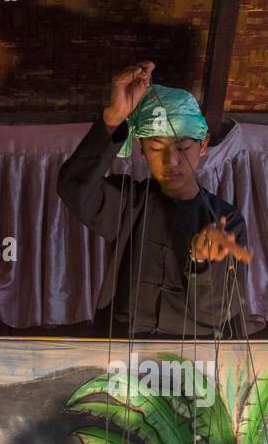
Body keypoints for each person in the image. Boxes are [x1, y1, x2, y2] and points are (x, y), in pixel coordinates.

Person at [58, 61, 253, 339]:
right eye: (156, 147)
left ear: (204, 144)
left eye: (183, 147)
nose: (170, 161)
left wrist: (202, 262)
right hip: (123, 354)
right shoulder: (129, 202)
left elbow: (219, 312)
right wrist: (113, 117)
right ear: (142, 149)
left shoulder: (225, 220)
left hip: (190, 367)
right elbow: (73, 188)